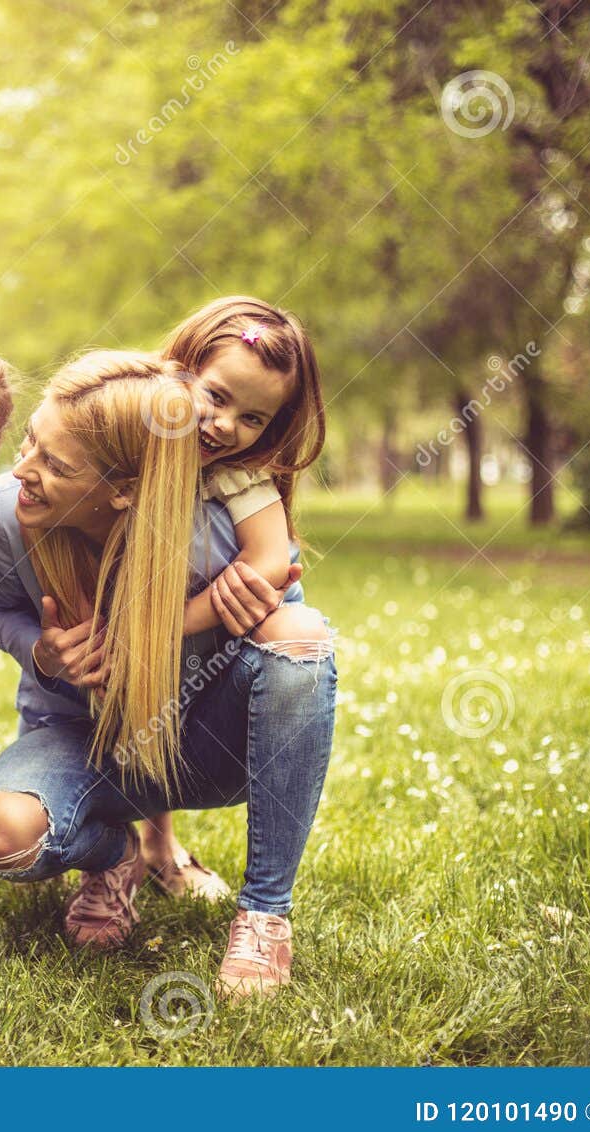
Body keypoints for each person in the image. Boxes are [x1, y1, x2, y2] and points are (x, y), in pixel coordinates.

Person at [0, 350, 337, 999]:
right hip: (85, 744)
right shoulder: (5, 512)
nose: (22, 469)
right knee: (5, 837)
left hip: (199, 746)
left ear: (124, 488)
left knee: (301, 634)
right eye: (30, 442)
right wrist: (43, 652)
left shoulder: (216, 538)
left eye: (55, 464)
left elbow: (294, 649)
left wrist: (202, 621)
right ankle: (116, 857)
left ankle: (264, 913)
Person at [138, 295, 329, 902]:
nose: (225, 426)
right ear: (177, 368)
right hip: (115, 667)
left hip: (211, 661)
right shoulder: (124, 443)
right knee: (134, 709)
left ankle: (255, 901)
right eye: (216, 397)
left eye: (253, 419)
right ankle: (135, 849)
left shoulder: (235, 472)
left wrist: (174, 623)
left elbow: (271, 560)